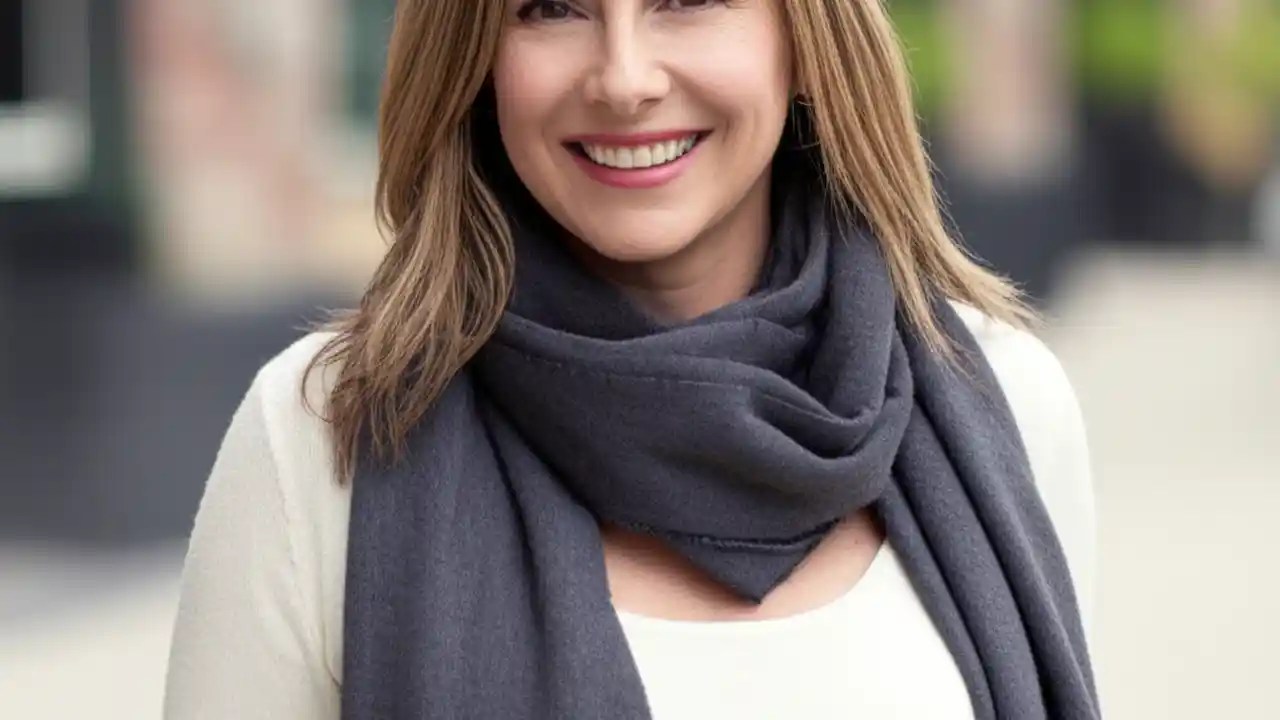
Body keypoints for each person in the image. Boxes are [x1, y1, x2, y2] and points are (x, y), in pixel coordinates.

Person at [164, 1, 1100, 718]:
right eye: (550, 7)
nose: (623, 77)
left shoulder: (1004, 399)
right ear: (475, 60)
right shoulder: (321, 440)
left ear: (805, 40)